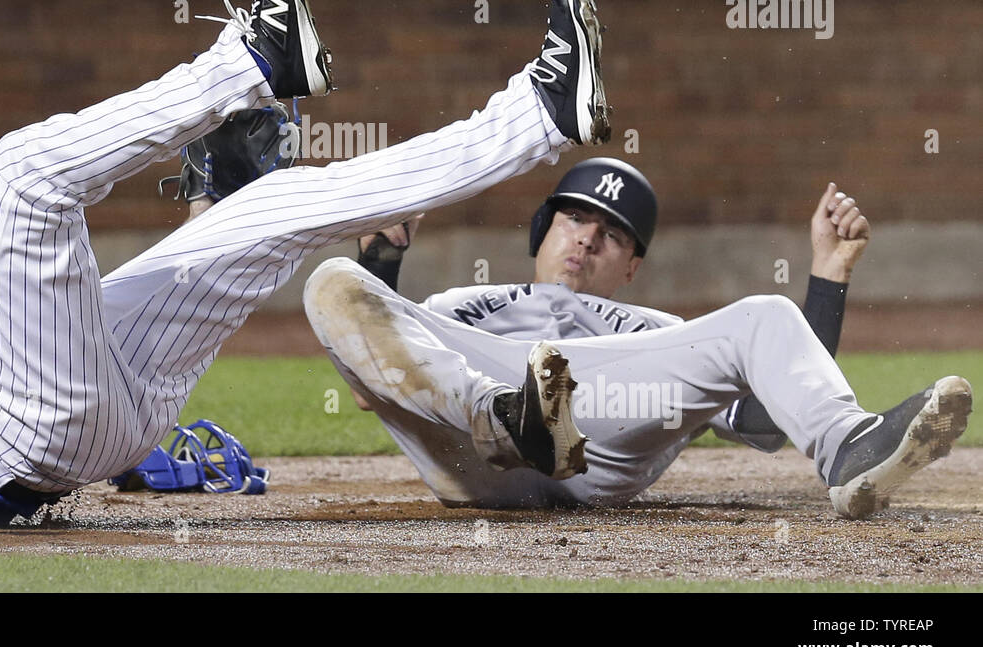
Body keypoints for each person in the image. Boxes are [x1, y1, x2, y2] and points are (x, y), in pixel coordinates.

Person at [0, 0, 612, 530]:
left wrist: (148, 461)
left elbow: (39, 352)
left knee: (271, 209)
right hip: (14, 441)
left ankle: (539, 112)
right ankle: (250, 59)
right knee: (21, 172)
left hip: (98, 405)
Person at [302, 139, 973, 519]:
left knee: (765, 314)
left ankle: (850, 449)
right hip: (472, 427)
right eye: (574, 219)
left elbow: (766, 422)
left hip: (596, 432)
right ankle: (508, 418)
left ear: (631, 267)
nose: (587, 240)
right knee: (334, 279)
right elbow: (375, 381)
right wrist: (384, 253)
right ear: (544, 228)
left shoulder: (655, 329)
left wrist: (826, 275)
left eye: (612, 234)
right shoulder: (461, 301)